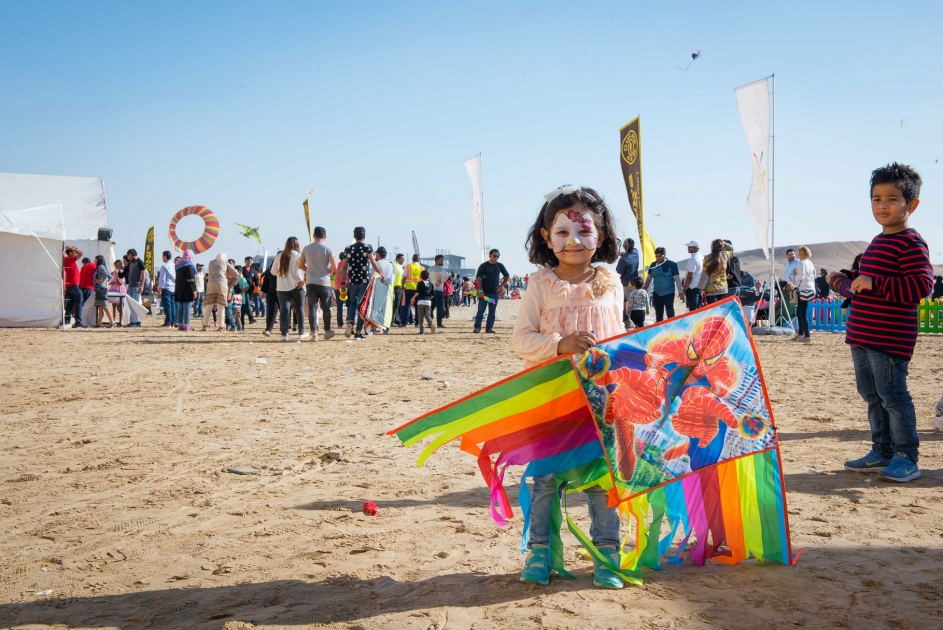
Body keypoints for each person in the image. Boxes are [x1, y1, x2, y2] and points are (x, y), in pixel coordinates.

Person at [513, 184, 624, 589]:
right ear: (546, 237)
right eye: (562, 232)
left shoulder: (612, 283)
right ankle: (539, 551)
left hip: (602, 399)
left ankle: (607, 553)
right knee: (545, 478)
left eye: (584, 230)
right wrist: (560, 344)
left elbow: (619, 335)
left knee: (601, 476)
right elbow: (521, 339)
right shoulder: (541, 285)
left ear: (602, 234)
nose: (573, 240)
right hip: (552, 397)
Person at [832, 163, 933, 483]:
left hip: (889, 339)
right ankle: (882, 451)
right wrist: (847, 277)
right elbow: (868, 276)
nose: (883, 205)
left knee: (893, 396)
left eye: (892, 199)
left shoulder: (910, 242)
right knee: (872, 395)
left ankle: (906, 457)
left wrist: (875, 283)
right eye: (876, 199)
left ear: (911, 204)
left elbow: (921, 286)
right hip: (861, 335)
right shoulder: (878, 241)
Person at [343, 227, 383, 340]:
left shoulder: (348, 249)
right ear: (364, 236)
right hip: (364, 280)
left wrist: (343, 281)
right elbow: (373, 262)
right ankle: (358, 332)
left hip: (352, 280)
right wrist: (380, 273)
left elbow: (344, 267)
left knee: (353, 303)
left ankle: (350, 322)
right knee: (362, 306)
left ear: (354, 236)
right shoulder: (367, 247)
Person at [299, 226, 337, 342]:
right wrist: (328, 272)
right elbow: (335, 267)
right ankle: (327, 331)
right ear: (325, 236)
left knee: (312, 307)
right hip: (324, 281)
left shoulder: (306, 248)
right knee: (326, 308)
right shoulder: (328, 249)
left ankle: (314, 333)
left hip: (311, 281)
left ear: (314, 236)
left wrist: (309, 270)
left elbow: (300, 265)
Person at [272, 236, 309, 342]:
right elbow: (307, 269)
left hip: (282, 287)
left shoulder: (279, 255)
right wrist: (303, 280)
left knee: (284, 310)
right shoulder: (299, 256)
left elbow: (273, 272)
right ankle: (301, 332)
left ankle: (284, 334)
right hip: (298, 286)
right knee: (300, 309)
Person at [473, 249, 510, 333]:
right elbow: (478, 278)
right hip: (484, 293)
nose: (496, 258)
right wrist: (480, 290)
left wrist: (501, 286)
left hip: (494, 293)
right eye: (494, 256)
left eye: (497, 256)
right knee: (481, 310)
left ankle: (489, 328)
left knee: (492, 311)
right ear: (490, 255)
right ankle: (477, 327)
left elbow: (507, 276)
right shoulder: (484, 266)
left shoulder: (500, 266)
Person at [643, 247, 682, 322]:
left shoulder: (672, 265)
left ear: (664, 255)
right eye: (656, 256)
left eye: (660, 256)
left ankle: (672, 325)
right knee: (658, 313)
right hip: (657, 293)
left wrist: (681, 292)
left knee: (669, 311)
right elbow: (648, 279)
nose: (658, 258)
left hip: (668, 292)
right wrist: (644, 290)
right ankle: (660, 327)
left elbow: (677, 279)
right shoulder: (653, 265)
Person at [202, 252, 237, 332]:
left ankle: (204, 326)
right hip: (222, 285)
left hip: (211, 284)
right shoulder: (225, 263)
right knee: (221, 306)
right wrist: (231, 281)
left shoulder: (211, 263)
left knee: (209, 305)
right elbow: (236, 273)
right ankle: (221, 327)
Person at [789, 246, 816, 342]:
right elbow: (814, 275)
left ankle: (807, 336)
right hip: (810, 289)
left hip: (803, 289)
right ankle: (801, 333)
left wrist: (795, 274)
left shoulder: (801, 263)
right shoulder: (810, 263)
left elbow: (801, 276)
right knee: (800, 312)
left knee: (802, 313)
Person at [616, 238, 639, 327]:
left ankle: (629, 323)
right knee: (635, 304)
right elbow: (628, 254)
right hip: (635, 283)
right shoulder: (636, 252)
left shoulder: (624, 260)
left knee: (627, 305)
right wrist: (622, 254)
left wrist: (622, 256)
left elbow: (619, 272)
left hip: (627, 284)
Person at [174, 249, 198, 331]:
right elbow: (191, 279)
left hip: (179, 289)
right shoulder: (189, 266)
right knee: (187, 307)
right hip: (187, 289)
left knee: (180, 307)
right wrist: (194, 290)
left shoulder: (178, 266)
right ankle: (187, 325)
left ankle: (180, 325)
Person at [701, 239, 728, 306]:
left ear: (712, 246)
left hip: (711, 290)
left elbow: (705, 274)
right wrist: (725, 244)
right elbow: (731, 250)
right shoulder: (724, 256)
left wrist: (702, 289)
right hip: (723, 288)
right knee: (722, 310)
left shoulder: (707, 258)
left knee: (714, 310)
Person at [91, 255, 116, 328]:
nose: (94, 260)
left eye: (95, 259)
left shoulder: (100, 267)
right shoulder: (101, 267)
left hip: (101, 289)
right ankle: (99, 324)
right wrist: (106, 282)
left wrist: (101, 281)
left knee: (104, 306)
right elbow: (110, 277)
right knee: (101, 306)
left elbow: (106, 275)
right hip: (101, 288)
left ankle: (112, 322)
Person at [62, 245, 84, 327]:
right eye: (73, 252)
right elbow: (81, 253)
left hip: (69, 285)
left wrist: (69, 250)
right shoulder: (71, 259)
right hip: (74, 285)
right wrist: (73, 248)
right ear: (70, 253)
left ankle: (67, 321)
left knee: (69, 305)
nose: (75, 253)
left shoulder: (65, 260)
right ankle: (78, 322)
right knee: (79, 303)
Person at [123, 249, 146, 327]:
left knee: (135, 304)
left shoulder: (140, 262)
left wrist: (141, 285)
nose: (130, 258)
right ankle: (136, 321)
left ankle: (135, 321)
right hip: (131, 285)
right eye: (129, 257)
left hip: (136, 286)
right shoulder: (131, 263)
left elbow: (143, 275)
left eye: (131, 257)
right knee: (131, 304)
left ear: (135, 255)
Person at [680, 240, 703, 312]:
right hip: (700, 286)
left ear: (696, 248)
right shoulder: (701, 257)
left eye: (690, 247)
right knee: (698, 308)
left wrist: (685, 289)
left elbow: (689, 276)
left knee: (693, 310)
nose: (688, 248)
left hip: (692, 287)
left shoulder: (693, 260)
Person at [155, 250, 176, 327]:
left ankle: (168, 321)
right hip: (173, 287)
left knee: (167, 306)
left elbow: (162, 279)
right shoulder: (174, 265)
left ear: (165, 256)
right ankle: (173, 321)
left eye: (162, 256)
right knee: (172, 305)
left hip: (166, 287)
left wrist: (160, 289)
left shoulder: (164, 266)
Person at [411, 269, 435, 334]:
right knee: (428, 316)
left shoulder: (420, 283)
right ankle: (432, 327)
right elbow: (433, 295)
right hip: (428, 302)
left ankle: (422, 331)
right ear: (428, 276)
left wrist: (413, 298)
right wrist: (428, 298)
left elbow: (417, 292)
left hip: (420, 301)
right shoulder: (431, 284)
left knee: (420, 316)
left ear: (421, 276)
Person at [260, 256, 280, 336]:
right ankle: (268, 329)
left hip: (285, 293)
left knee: (285, 311)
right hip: (272, 293)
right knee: (272, 311)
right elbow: (266, 282)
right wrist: (263, 292)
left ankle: (284, 331)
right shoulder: (270, 269)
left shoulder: (287, 267)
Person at [402, 254, 423, 327]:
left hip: (408, 288)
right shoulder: (422, 268)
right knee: (417, 306)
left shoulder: (407, 267)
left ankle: (405, 323)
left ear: (412, 259)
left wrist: (402, 286)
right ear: (418, 260)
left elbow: (404, 278)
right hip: (418, 290)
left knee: (407, 306)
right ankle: (417, 323)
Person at [428, 254, 448, 329]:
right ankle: (439, 324)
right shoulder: (439, 269)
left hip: (431, 289)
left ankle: (430, 323)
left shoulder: (430, 269)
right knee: (439, 307)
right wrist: (440, 281)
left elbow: (428, 278)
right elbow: (446, 275)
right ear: (437, 261)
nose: (443, 261)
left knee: (431, 307)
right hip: (438, 289)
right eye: (441, 260)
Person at [241, 257, 259, 325]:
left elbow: (256, 279)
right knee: (247, 303)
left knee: (245, 304)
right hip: (244, 289)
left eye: (250, 261)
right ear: (245, 261)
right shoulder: (242, 270)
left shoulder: (253, 270)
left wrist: (257, 285)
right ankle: (251, 318)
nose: (249, 262)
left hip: (251, 289)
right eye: (248, 261)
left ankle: (242, 319)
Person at [333, 251, 348, 330]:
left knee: (339, 306)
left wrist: (336, 278)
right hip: (346, 286)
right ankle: (349, 320)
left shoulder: (336, 266)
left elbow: (332, 277)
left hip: (337, 287)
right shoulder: (347, 265)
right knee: (349, 304)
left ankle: (340, 323)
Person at [109, 260, 127, 324]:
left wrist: (117, 274)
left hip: (120, 289)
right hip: (113, 289)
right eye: (116, 265)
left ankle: (121, 320)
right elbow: (110, 282)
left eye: (118, 265)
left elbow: (119, 282)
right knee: (114, 305)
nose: (117, 266)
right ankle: (113, 320)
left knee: (121, 305)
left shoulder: (122, 272)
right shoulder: (112, 272)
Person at [392, 253, 405, 327]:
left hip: (399, 287)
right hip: (395, 287)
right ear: (397, 258)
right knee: (396, 304)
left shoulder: (400, 266)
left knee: (398, 305)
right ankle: (393, 320)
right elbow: (392, 276)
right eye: (402, 258)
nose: (403, 260)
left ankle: (396, 320)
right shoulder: (394, 265)